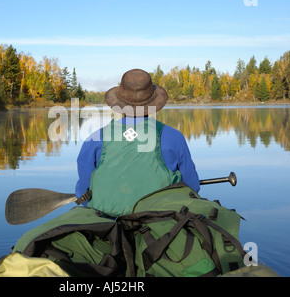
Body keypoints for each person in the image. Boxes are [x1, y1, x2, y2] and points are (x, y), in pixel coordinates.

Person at [75, 69, 199, 217]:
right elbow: (193, 187)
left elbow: (83, 192)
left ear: (119, 103)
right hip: (159, 222)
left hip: (107, 222)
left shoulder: (93, 139)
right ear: (153, 102)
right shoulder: (174, 137)